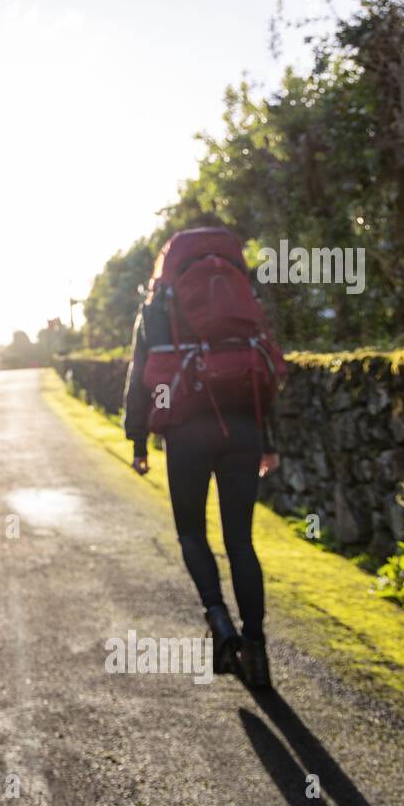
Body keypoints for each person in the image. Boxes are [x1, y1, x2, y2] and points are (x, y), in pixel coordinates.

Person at [121, 227, 280, 688]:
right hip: (243, 430)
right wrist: (268, 439)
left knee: (191, 531)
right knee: (241, 543)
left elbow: (138, 377)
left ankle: (218, 620)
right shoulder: (240, 296)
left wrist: (137, 442)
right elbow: (263, 370)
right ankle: (256, 650)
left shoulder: (156, 304)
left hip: (186, 431)